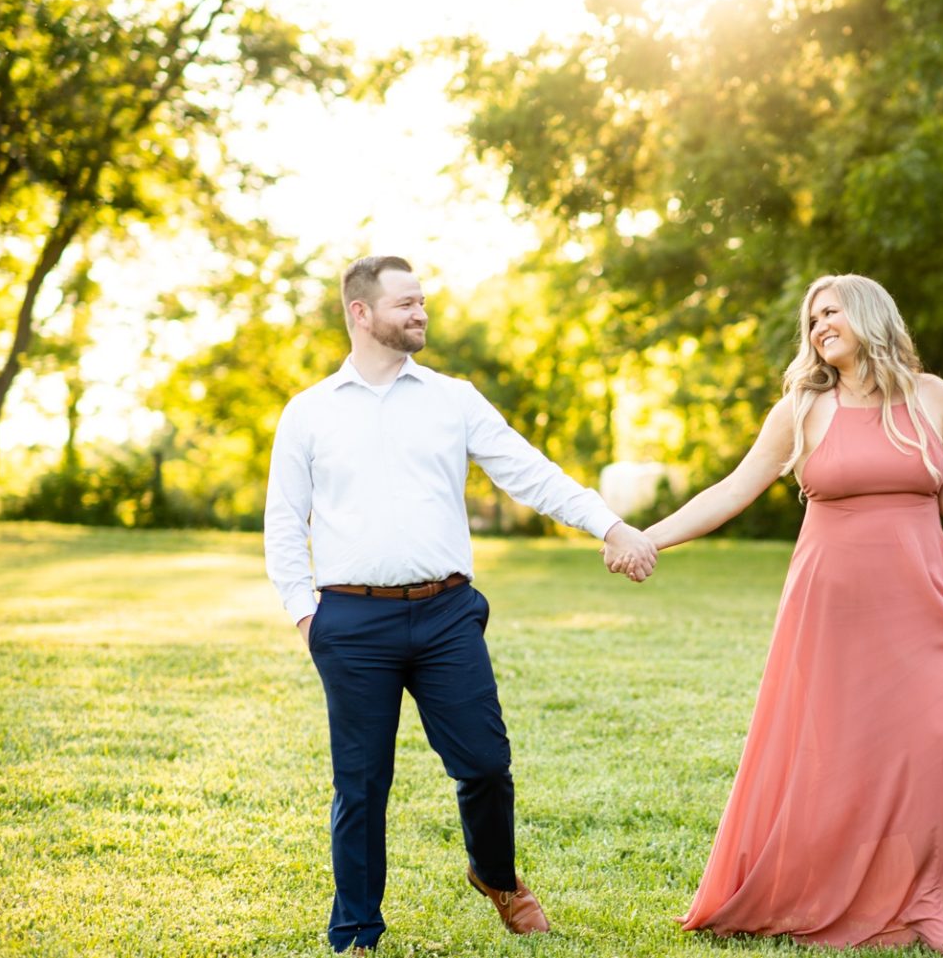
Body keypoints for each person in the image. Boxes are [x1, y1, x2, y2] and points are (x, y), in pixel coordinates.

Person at [623, 273, 943, 951]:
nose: (818, 326)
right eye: (812, 318)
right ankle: (852, 894)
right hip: (832, 609)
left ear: (870, 315)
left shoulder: (931, 398)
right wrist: (649, 536)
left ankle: (918, 891)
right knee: (845, 751)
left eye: (830, 311)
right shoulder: (803, 406)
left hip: (926, 598)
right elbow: (733, 489)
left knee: (932, 746)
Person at [264, 255, 657, 955]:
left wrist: (609, 523)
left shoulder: (453, 398)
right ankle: (356, 929)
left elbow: (529, 472)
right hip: (351, 622)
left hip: (447, 614)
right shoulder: (310, 412)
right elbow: (283, 523)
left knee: (483, 762)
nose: (420, 312)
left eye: (422, 301)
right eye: (405, 303)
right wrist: (307, 615)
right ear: (360, 312)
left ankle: (495, 874)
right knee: (360, 783)